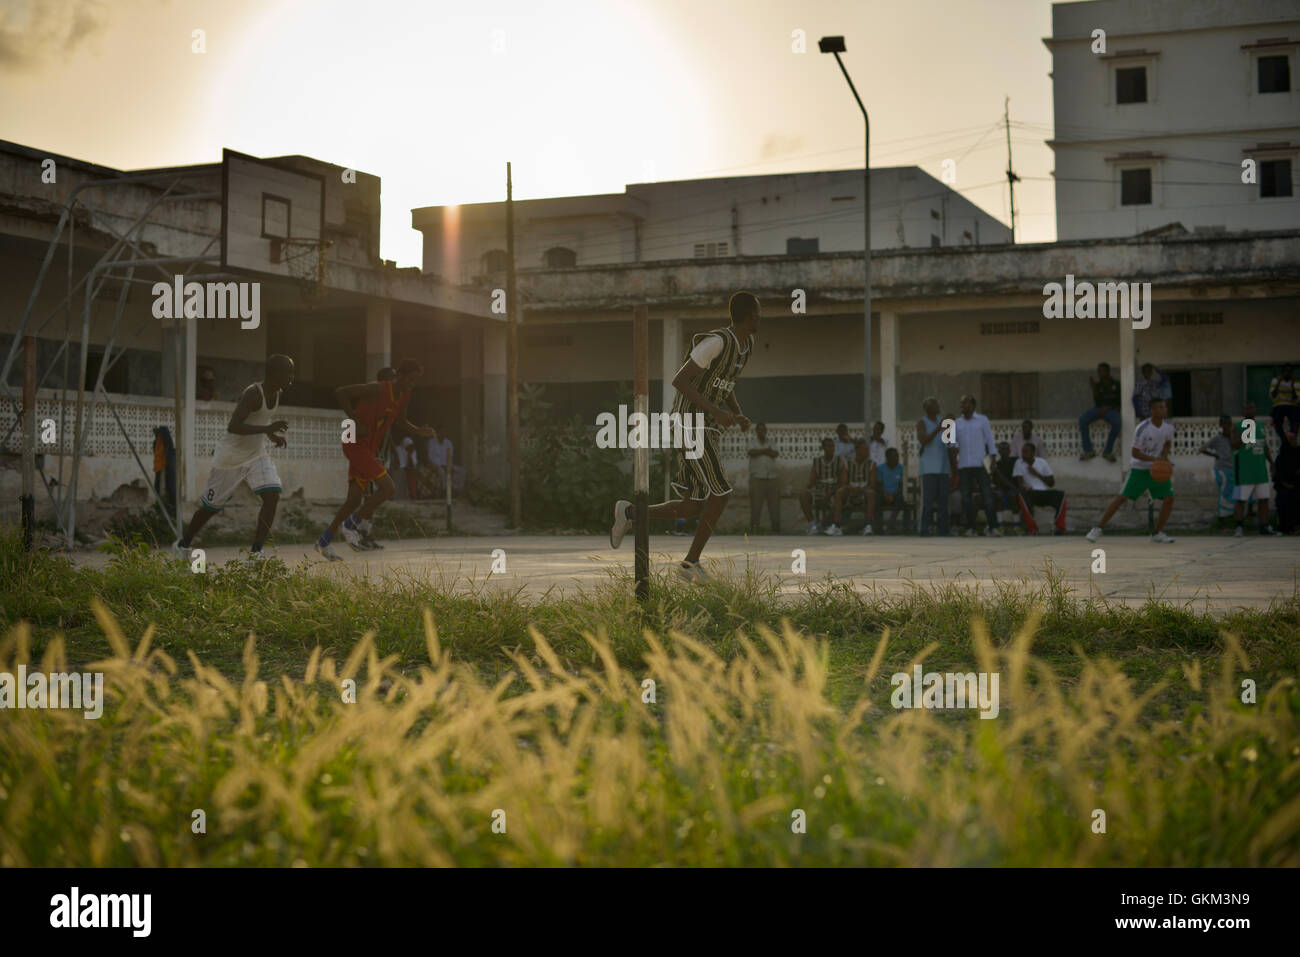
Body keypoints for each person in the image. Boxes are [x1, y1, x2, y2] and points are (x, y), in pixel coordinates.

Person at [609, 290, 759, 583]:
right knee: (722, 491)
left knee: (693, 506)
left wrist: (736, 413)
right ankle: (690, 564)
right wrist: (716, 412)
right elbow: (680, 380)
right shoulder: (716, 342)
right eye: (758, 311)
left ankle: (628, 512)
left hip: (706, 426)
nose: (760, 316)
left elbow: (724, 384)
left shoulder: (746, 345)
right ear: (751, 315)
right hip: (689, 423)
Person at [172, 355, 294, 560]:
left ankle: (256, 553)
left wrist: (271, 434)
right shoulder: (253, 393)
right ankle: (183, 544)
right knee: (210, 509)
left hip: (256, 454)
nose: (292, 377)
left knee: (273, 494)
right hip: (230, 458)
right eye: (288, 372)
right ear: (274, 374)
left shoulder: (277, 393)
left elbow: (260, 419)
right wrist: (268, 428)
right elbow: (234, 426)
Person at [315, 359, 437, 560]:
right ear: (399, 375)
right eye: (410, 379)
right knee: (388, 488)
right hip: (354, 442)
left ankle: (324, 541)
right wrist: (354, 419)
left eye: (415, 381)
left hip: (369, 448)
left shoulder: (404, 396)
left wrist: (420, 431)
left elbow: (401, 422)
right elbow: (341, 392)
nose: (412, 384)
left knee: (353, 499)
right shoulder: (377, 389)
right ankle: (350, 525)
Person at [1086, 397, 1176, 544]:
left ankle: (1157, 533)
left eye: (1164, 407)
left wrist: (1164, 456)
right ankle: (1097, 528)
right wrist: (1155, 460)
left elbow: (1167, 442)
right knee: (1122, 498)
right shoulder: (1142, 428)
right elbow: (1135, 453)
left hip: (1158, 470)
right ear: (1152, 410)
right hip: (1139, 469)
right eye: (1160, 407)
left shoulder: (1169, 427)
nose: (1164, 410)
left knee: (1169, 498)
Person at [952, 394, 1002, 537]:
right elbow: (953, 443)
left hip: (980, 464)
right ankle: (970, 528)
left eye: (965, 403)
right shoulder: (957, 423)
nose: (962, 406)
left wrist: (993, 461)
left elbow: (990, 441)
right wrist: (954, 449)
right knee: (966, 498)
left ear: (973, 405)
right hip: (963, 465)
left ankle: (993, 527)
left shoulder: (982, 420)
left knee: (987, 496)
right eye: (961, 404)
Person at [1231, 402, 1278, 536]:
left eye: (1252, 407)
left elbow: (1264, 445)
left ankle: (1264, 526)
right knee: (1241, 500)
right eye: (1247, 408)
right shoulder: (1238, 426)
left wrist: (1272, 463)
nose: (1250, 409)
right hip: (1244, 470)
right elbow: (1233, 445)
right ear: (1243, 411)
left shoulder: (1261, 425)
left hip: (1260, 469)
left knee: (1264, 498)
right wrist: (1245, 435)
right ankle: (1239, 527)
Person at [916, 396, 956, 536]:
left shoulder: (944, 422)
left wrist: (954, 470)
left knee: (943, 502)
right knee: (927, 502)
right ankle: (924, 529)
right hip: (928, 468)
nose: (937, 406)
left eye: (937, 403)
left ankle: (943, 530)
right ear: (926, 408)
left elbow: (950, 445)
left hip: (943, 468)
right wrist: (938, 428)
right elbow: (923, 440)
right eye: (934, 404)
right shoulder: (922, 422)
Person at [1013, 442, 1067, 535]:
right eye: (1023, 452)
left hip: (1043, 493)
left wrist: (1037, 474)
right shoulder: (1019, 463)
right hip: (1030, 493)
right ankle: (1032, 529)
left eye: (1026, 452)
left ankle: (1059, 527)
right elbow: (1019, 484)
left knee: (1061, 495)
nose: (1023, 454)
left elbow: (1051, 483)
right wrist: (1026, 488)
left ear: (1033, 453)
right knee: (1021, 495)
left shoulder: (1041, 462)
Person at [827, 438, 875, 535]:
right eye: (864, 449)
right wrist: (852, 489)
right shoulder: (847, 464)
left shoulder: (872, 464)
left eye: (867, 449)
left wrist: (862, 490)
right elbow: (844, 482)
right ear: (857, 450)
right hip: (850, 493)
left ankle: (868, 526)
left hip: (864, 494)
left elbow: (872, 483)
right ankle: (836, 525)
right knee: (840, 492)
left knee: (871, 493)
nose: (867, 452)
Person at [800, 437, 846, 534]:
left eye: (832, 446)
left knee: (838, 497)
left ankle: (828, 525)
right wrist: (806, 488)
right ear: (823, 448)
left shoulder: (839, 461)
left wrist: (829, 494)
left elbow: (842, 482)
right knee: (804, 495)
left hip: (834, 490)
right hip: (820, 489)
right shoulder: (817, 461)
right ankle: (813, 525)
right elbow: (812, 480)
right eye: (828, 446)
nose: (831, 448)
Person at [1197, 415, 1235, 530]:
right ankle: (1222, 522)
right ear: (1221, 425)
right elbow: (1202, 449)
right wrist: (1215, 455)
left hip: (1233, 470)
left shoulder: (1235, 438)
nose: (1226, 426)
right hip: (1221, 470)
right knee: (1223, 495)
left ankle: (1233, 521)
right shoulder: (1217, 439)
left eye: (1228, 423)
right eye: (1224, 424)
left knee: (1233, 496)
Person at [1079, 362, 1122, 462]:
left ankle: (1108, 451)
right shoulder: (1098, 385)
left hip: (1111, 410)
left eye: (1102, 371)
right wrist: (1094, 388)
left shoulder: (1116, 384)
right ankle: (1088, 450)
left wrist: (1107, 408)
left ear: (1108, 372)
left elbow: (1120, 401)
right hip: (1098, 409)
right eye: (1098, 371)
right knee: (1082, 420)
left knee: (1117, 423)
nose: (1100, 373)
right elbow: (1097, 402)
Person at [747, 421, 781, 533]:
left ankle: (776, 531)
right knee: (756, 506)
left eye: (763, 429)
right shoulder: (752, 442)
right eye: (759, 429)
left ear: (766, 431)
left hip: (772, 478)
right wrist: (766, 451)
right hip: (757, 478)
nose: (762, 431)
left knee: (774, 507)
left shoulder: (771, 442)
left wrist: (761, 452)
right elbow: (752, 452)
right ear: (756, 431)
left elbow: (775, 454)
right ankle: (754, 530)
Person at [1273, 426, 1300, 534]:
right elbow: (1278, 476)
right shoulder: (1282, 457)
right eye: (1292, 439)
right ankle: (1287, 527)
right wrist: (1286, 484)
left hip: (1298, 485)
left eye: (1295, 439)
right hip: (1285, 487)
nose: (1295, 441)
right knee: (1284, 497)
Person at [874, 447, 904, 532]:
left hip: (895, 494)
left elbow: (901, 485)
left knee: (900, 499)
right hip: (884, 494)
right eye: (894, 456)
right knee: (877, 499)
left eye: (897, 456)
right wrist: (886, 494)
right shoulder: (880, 468)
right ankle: (878, 527)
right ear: (887, 458)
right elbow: (878, 485)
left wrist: (893, 495)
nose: (897, 458)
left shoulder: (901, 468)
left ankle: (891, 524)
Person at [991, 440, 1020, 528]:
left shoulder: (1015, 462)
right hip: (1002, 490)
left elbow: (1017, 481)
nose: (1004, 451)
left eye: (1006, 449)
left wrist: (998, 473)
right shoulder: (997, 464)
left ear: (1010, 451)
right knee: (998, 496)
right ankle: (1000, 526)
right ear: (999, 452)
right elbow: (996, 482)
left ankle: (1016, 526)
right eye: (1002, 449)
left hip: (1014, 489)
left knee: (1013, 496)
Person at [1268, 363, 1299, 440]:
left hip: (1291, 406)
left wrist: (1292, 385)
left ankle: (1292, 435)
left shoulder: (1296, 383)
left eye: (1289, 371)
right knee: (1276, 419)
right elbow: (1272, 396)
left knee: (1297, 417)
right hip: (1279, 406)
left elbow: (1296, 399)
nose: (1287, 373)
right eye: (1285, 371)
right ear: (1282, 372)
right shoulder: (1275, 381)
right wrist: (1279, 382)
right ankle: (1283, 437)